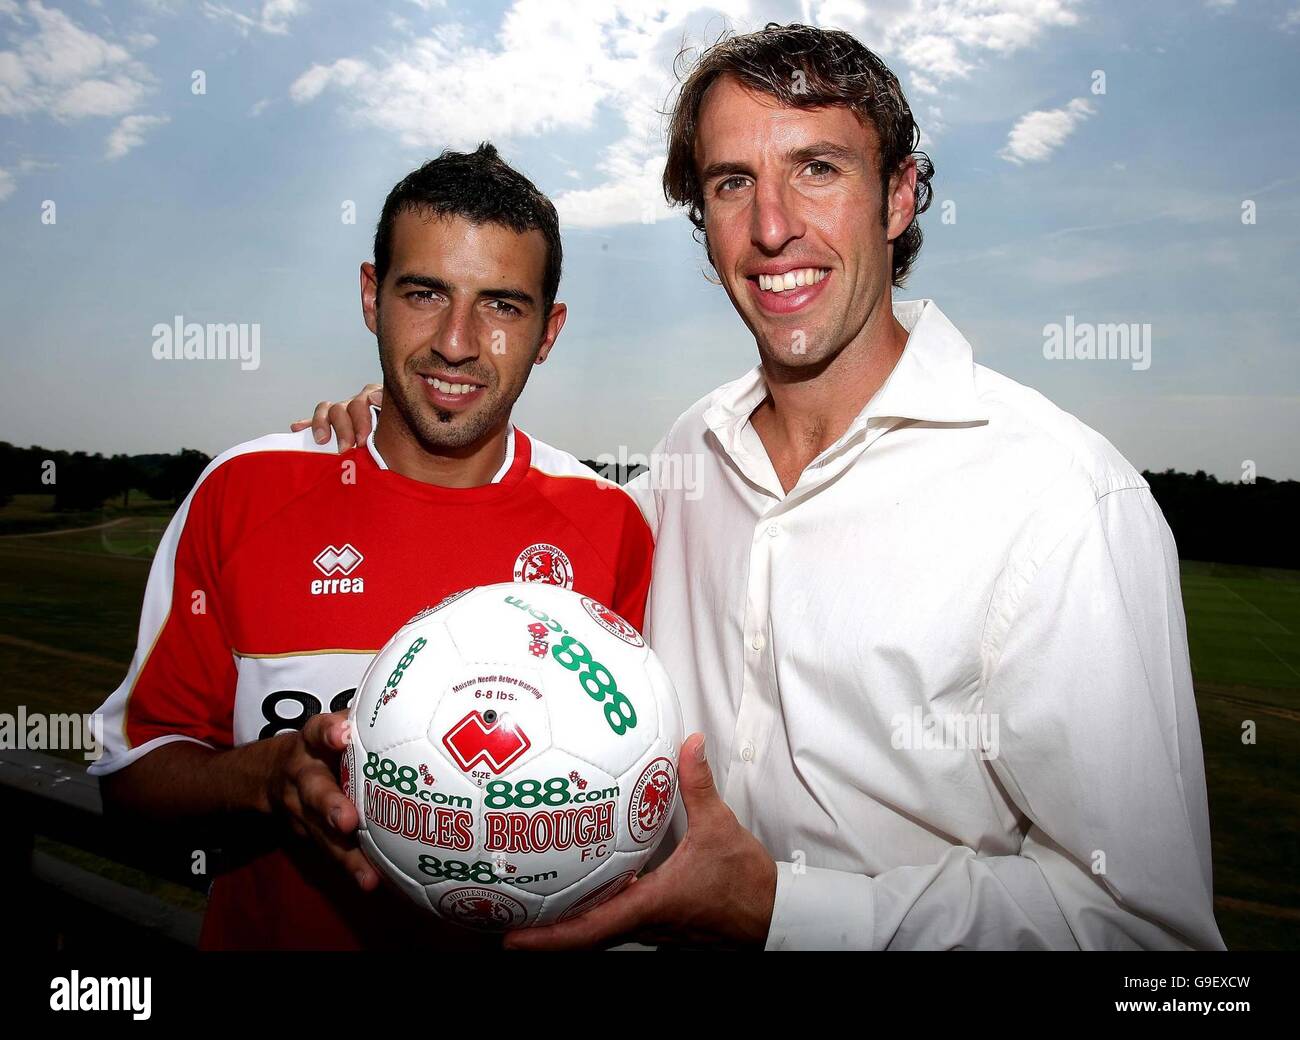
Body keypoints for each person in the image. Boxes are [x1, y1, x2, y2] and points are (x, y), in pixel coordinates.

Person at [308, 24, 1225, 951]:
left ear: (900, 195)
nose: (772, 224)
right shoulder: (682, 461)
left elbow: (1150, 943)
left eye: (818, 167)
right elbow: (508, 532)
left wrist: (783, 911)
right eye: (731, 183)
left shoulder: (1063, 499)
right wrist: (394, 420)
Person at [89, 144, 654, 949]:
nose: (457, 342)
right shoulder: (242, 492)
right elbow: (128, 777)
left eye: (501, 305)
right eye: (424, 293)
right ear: (370, 294)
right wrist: (265, 778)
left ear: (548, 330)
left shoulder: (610, 525)